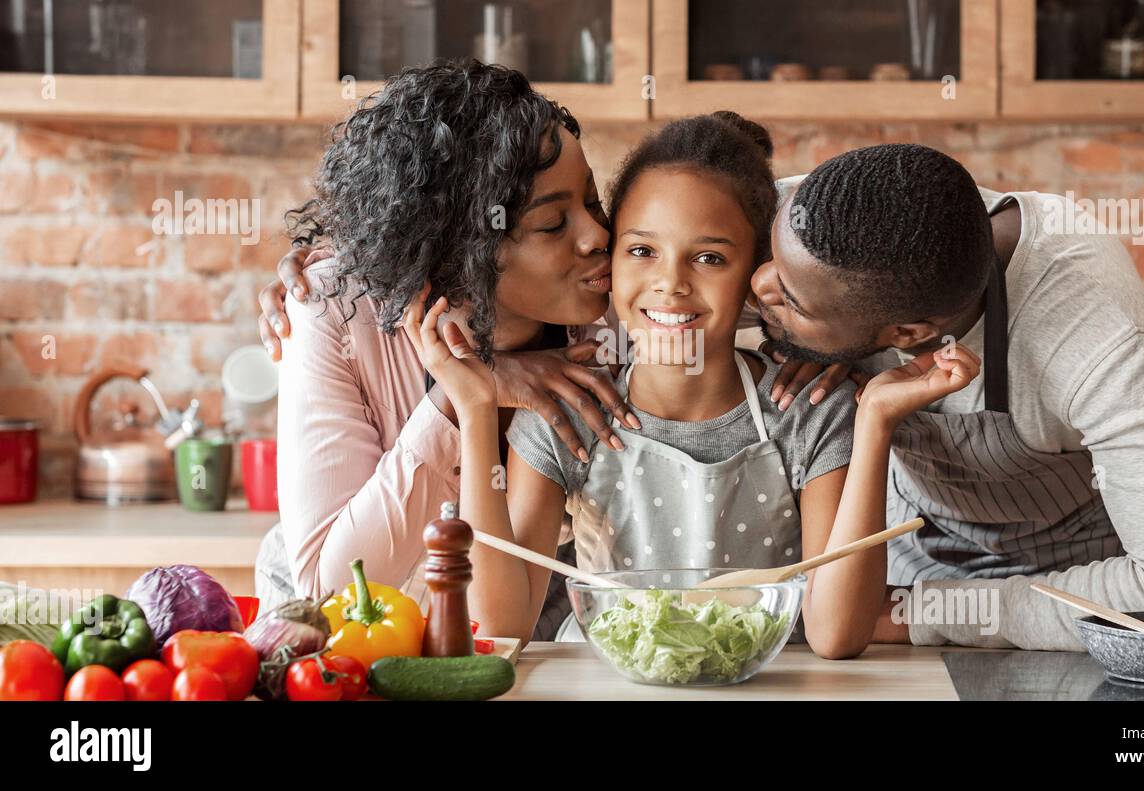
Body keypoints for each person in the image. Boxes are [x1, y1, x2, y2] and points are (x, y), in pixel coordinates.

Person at [406, 112, 981, 658]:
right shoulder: (567, 413)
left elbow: (835, 635)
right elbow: (502, 624)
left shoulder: (813, 414)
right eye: (641, 251)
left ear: (758, 275)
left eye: (708, 257)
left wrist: (875, 421)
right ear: (611, 260)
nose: (670, 283)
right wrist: (477, 408)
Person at [748, 144, 1144, 650]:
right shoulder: (814, 217)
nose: (755, 285)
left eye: (789, 299)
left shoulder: (1099, 337)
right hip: (901, 566)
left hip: (1068, 594)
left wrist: (926, 610)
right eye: (771, 258)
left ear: (908, 332)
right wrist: (805, 331)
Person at [257, 60, 638, 643]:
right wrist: (463, 399)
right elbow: (328, 591)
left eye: (592, 202)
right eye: (553, 224)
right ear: (457, 250)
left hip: (531, 622)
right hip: (339, 636)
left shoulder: (618, 302)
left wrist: (817, 341)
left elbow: (754, 249)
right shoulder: (331, 309)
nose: (597, 237)